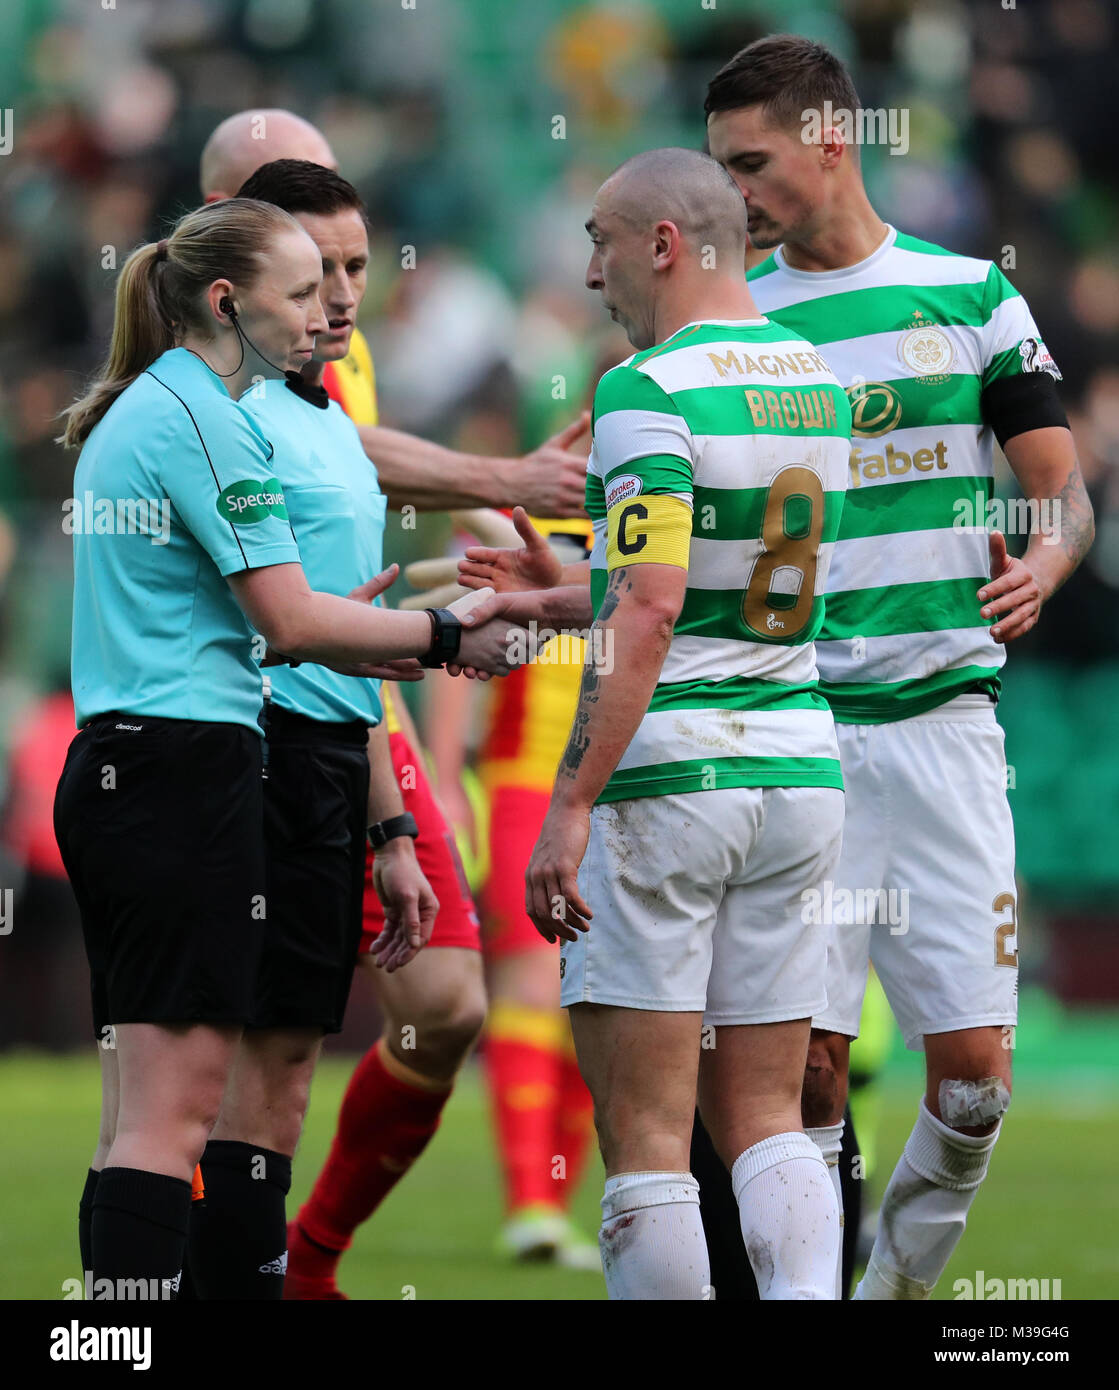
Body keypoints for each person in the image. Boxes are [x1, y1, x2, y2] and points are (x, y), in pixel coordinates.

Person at [55, 196, 515, 1297]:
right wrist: (451, 634)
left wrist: (378, 643)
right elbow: (296, 621)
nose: (328, 313)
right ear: (227, 301)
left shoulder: (160, 407)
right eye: (303, 290)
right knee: (173, 1118)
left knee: (147, 1111)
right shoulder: (208, 420)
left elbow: (285, 619)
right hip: (182, 772)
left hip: (138, 764)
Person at [700, 33, 1094, 1299]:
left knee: (973, 1083)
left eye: (750, 163)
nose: (736, 196)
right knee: (807, 1073)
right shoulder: (736, 320)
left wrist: (1046, 560)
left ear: (831, 137)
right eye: (719, 173)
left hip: (943, 730)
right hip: (799, 733)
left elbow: (1063, 494)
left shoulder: (972, 295)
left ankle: (897, 1290)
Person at [477, 146, 853, 1299]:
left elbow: (647, 607)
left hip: (671, 775)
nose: (590, 274)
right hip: (796, 763)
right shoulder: (818, 377)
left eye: (599, 242)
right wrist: (557, 599)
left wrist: (570, 800)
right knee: (770, 1117)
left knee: (647, 1138)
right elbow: (711, 578)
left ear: (663, 245)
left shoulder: (646, 388)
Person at [200, 110, 590, 518]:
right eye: (296, 193)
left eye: (334, 183)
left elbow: (351, 480)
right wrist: (506, 481)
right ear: (224, 213)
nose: (327, 205)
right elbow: (317, 449)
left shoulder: (345, 347)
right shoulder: (201, 356)